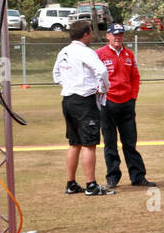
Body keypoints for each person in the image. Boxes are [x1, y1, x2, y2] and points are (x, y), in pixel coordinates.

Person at [52, 20, 113, 196]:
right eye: (91, 32)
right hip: (84, 100)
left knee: (74, 143)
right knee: (89, 144)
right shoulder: (85, 52)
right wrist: (103, 88)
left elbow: (56, 75)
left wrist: (70, 84)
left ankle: (71, 184)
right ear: (85, 33)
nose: (92, 35)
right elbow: (101, 71)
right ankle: (91, 185)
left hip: (68, 99)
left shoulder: (64, 51)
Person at [95, 22, 155, 189]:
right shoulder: (99, 54)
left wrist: (133, 97)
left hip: (127, 104)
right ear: (108, 36)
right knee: (110, 143)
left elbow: (135, 77)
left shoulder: (129, 54)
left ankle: (138, 176)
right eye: (114, 34)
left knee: (130, 143)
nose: (117, 37)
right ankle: (112, 177)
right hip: (107, 104)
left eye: (120, 34)